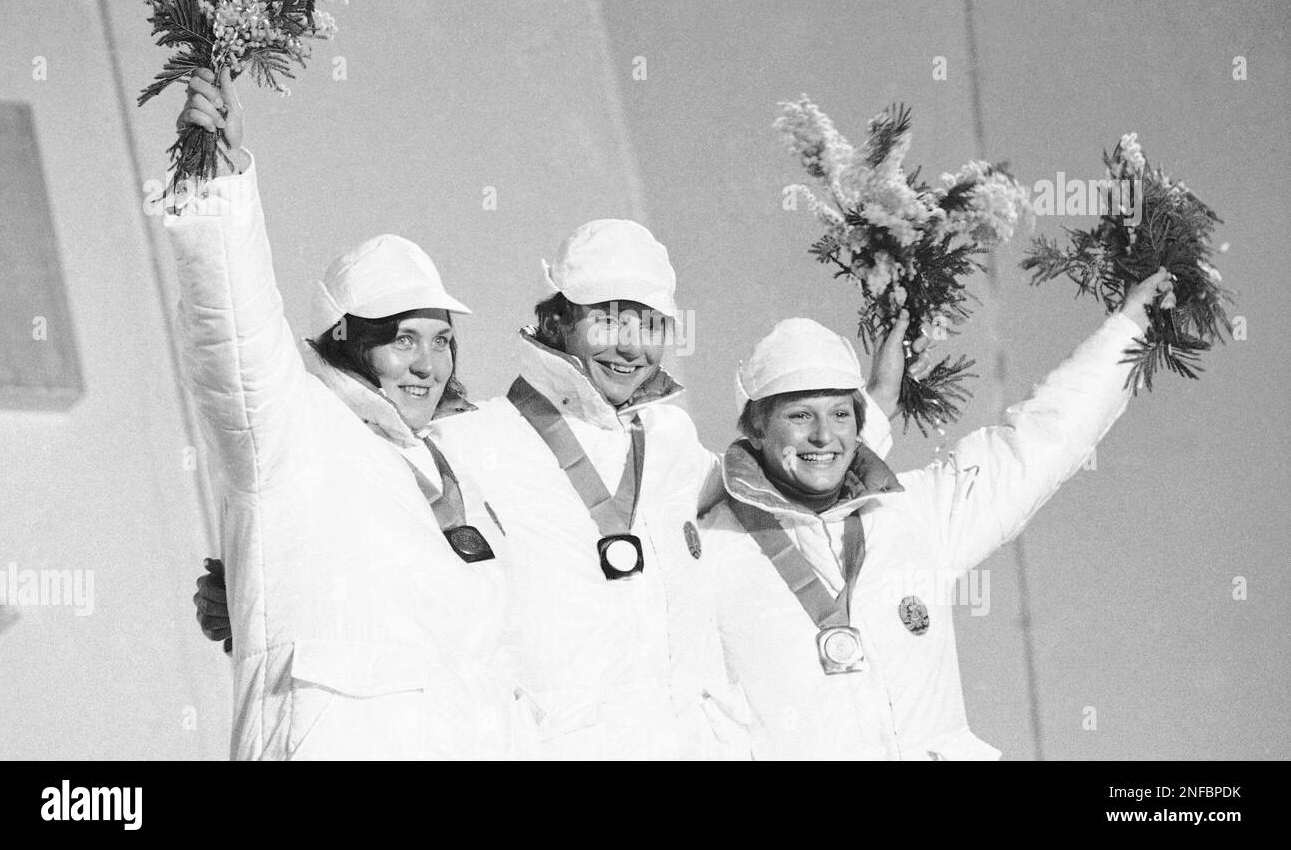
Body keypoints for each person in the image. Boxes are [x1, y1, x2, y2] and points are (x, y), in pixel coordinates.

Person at [196, 216, 910, 759]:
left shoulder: (672, 450)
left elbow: (776, 493)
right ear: (560, 320)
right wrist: (259, 582)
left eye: (649, 323)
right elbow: (354, 501)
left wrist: (868, 419)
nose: (630, 345)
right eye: (609, 318)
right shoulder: (468, 443)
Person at [170, 69, 532, 759]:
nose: (430, 364)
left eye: (444, 340)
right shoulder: (293, 429)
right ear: (348, 341)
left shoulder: (456, 473)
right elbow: (232, 328)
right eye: (403, 340)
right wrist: (217, 180)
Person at [699, 270, 1175, 759]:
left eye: (840, 414)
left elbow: (1040, 442)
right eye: (800, 416)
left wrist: (1130, 327)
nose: (825, 436)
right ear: (756, 429)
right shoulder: (710, 551)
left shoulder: (914, 515)